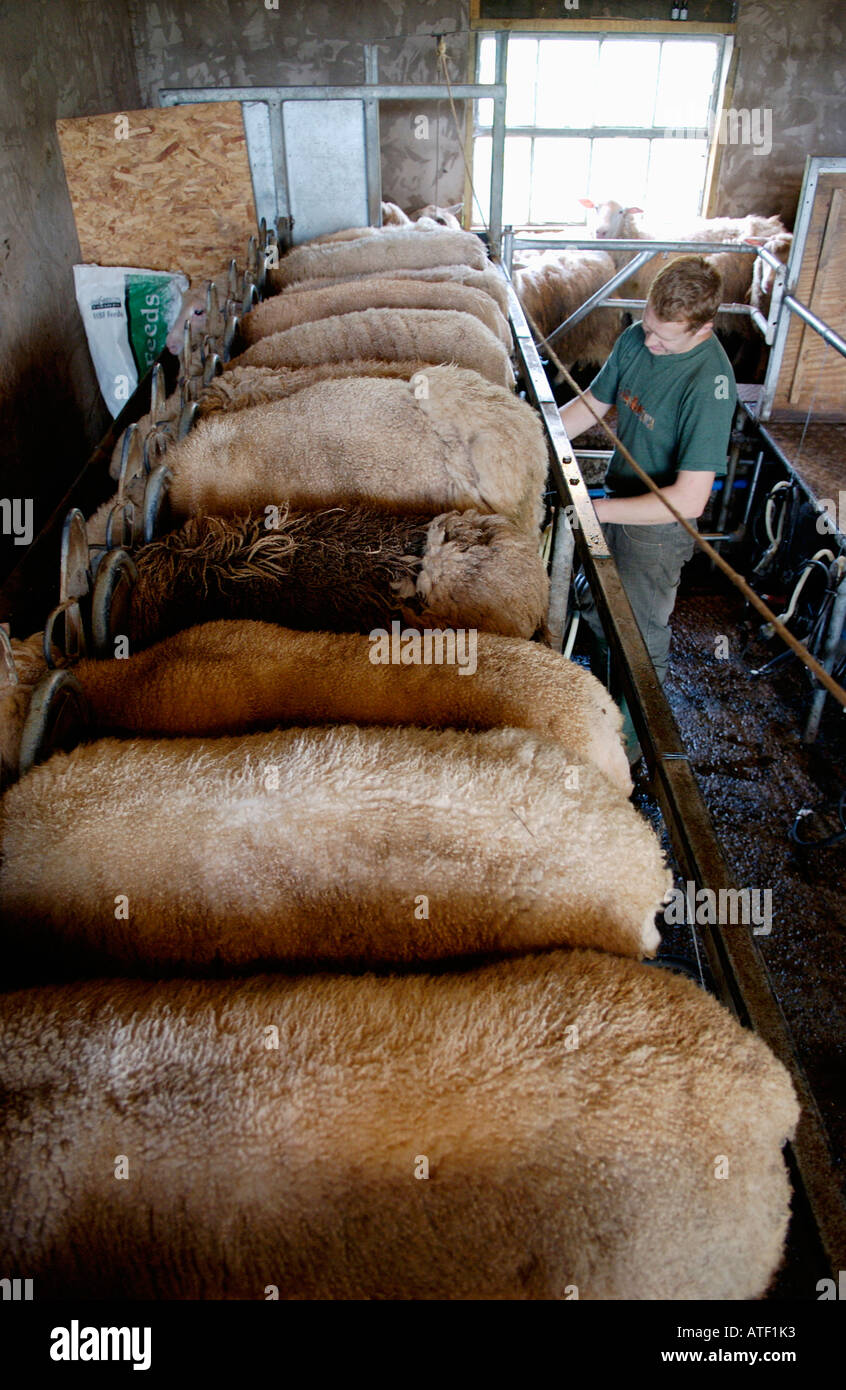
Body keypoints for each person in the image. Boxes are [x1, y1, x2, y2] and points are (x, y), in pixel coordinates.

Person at [560, 254, 737, 767]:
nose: (651, 343)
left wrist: (601, 512)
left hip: (658, 527)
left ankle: (631, 755)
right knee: (594, 606)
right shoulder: (640, 335)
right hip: (617, 496)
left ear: (703, 327)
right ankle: (598, 713)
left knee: (639, 637)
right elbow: (594, 403)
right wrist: (531, 437)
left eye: (666, 338)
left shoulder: (709, 384)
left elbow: (690, 500)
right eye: (650, 326)